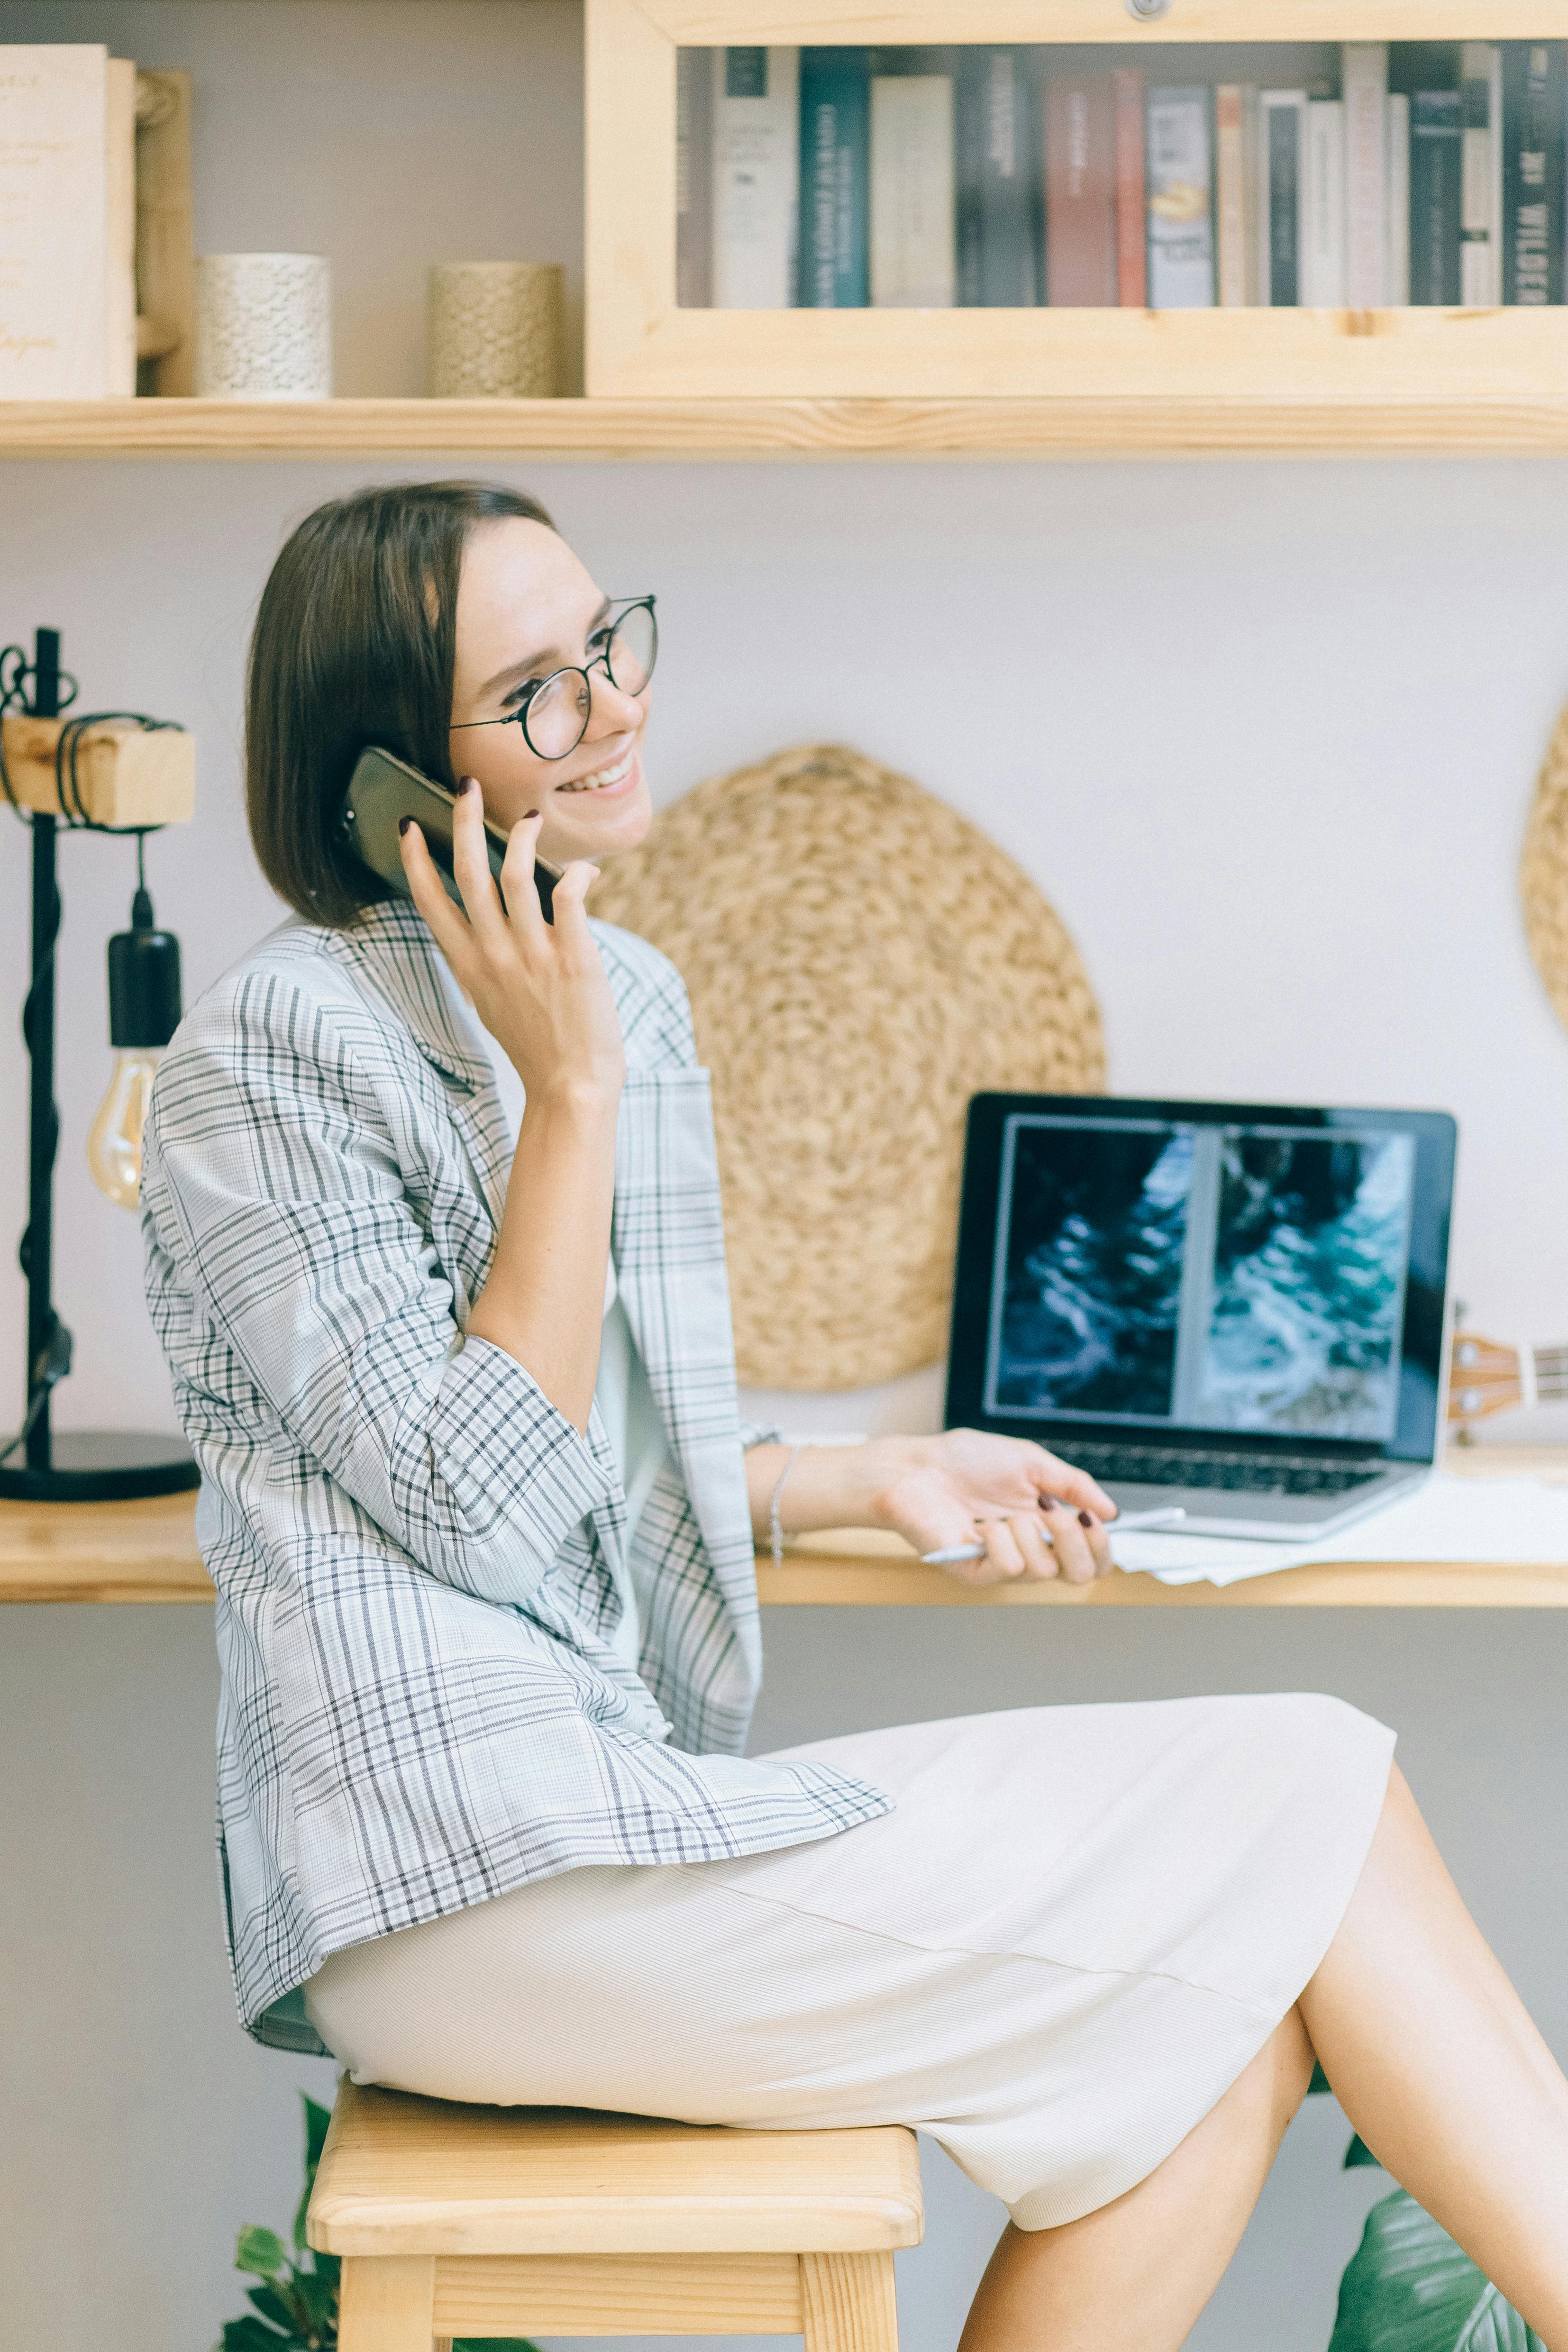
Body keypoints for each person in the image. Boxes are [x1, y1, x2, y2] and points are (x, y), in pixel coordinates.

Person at [142, 481, 1568, 2352]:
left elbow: (589, 1481)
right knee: (1318, 1771)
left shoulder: (618, 991)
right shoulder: (276, 1053)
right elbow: (476, 1504)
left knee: (1218, 2018)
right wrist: (564, 1099)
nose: (615, 703)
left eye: (606, 644)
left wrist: (865, 1473)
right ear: (385, 773)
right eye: (539, 690)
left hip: (593, 1812)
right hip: (457, 1878)